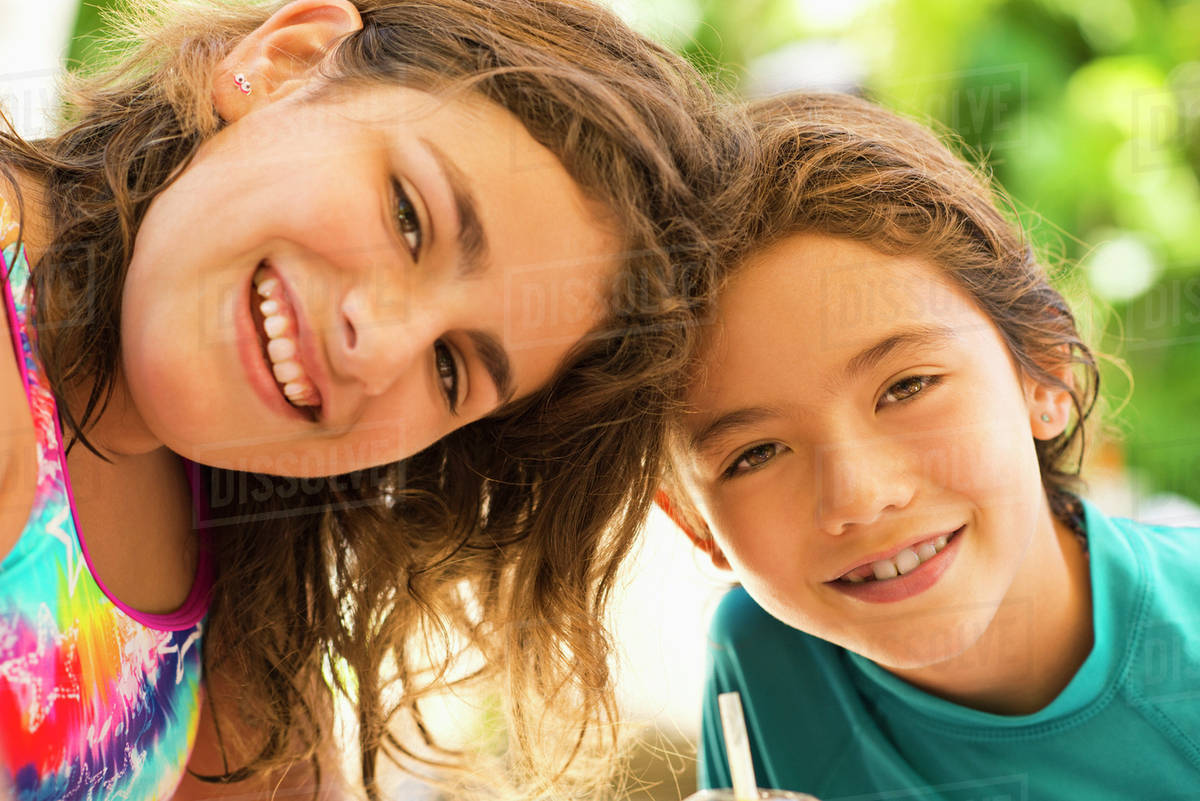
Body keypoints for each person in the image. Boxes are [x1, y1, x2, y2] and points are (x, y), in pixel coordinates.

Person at [0, 0, 745, 798]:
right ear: (287, 62)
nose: (380, 345)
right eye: (409, 218)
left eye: (452, 369)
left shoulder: (238, 622)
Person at [662, 92, 1200, 799]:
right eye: (754, 454)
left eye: (907, 386)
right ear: (698, 525)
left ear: (1043, 368)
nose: (858, 496)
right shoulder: (762, 664)